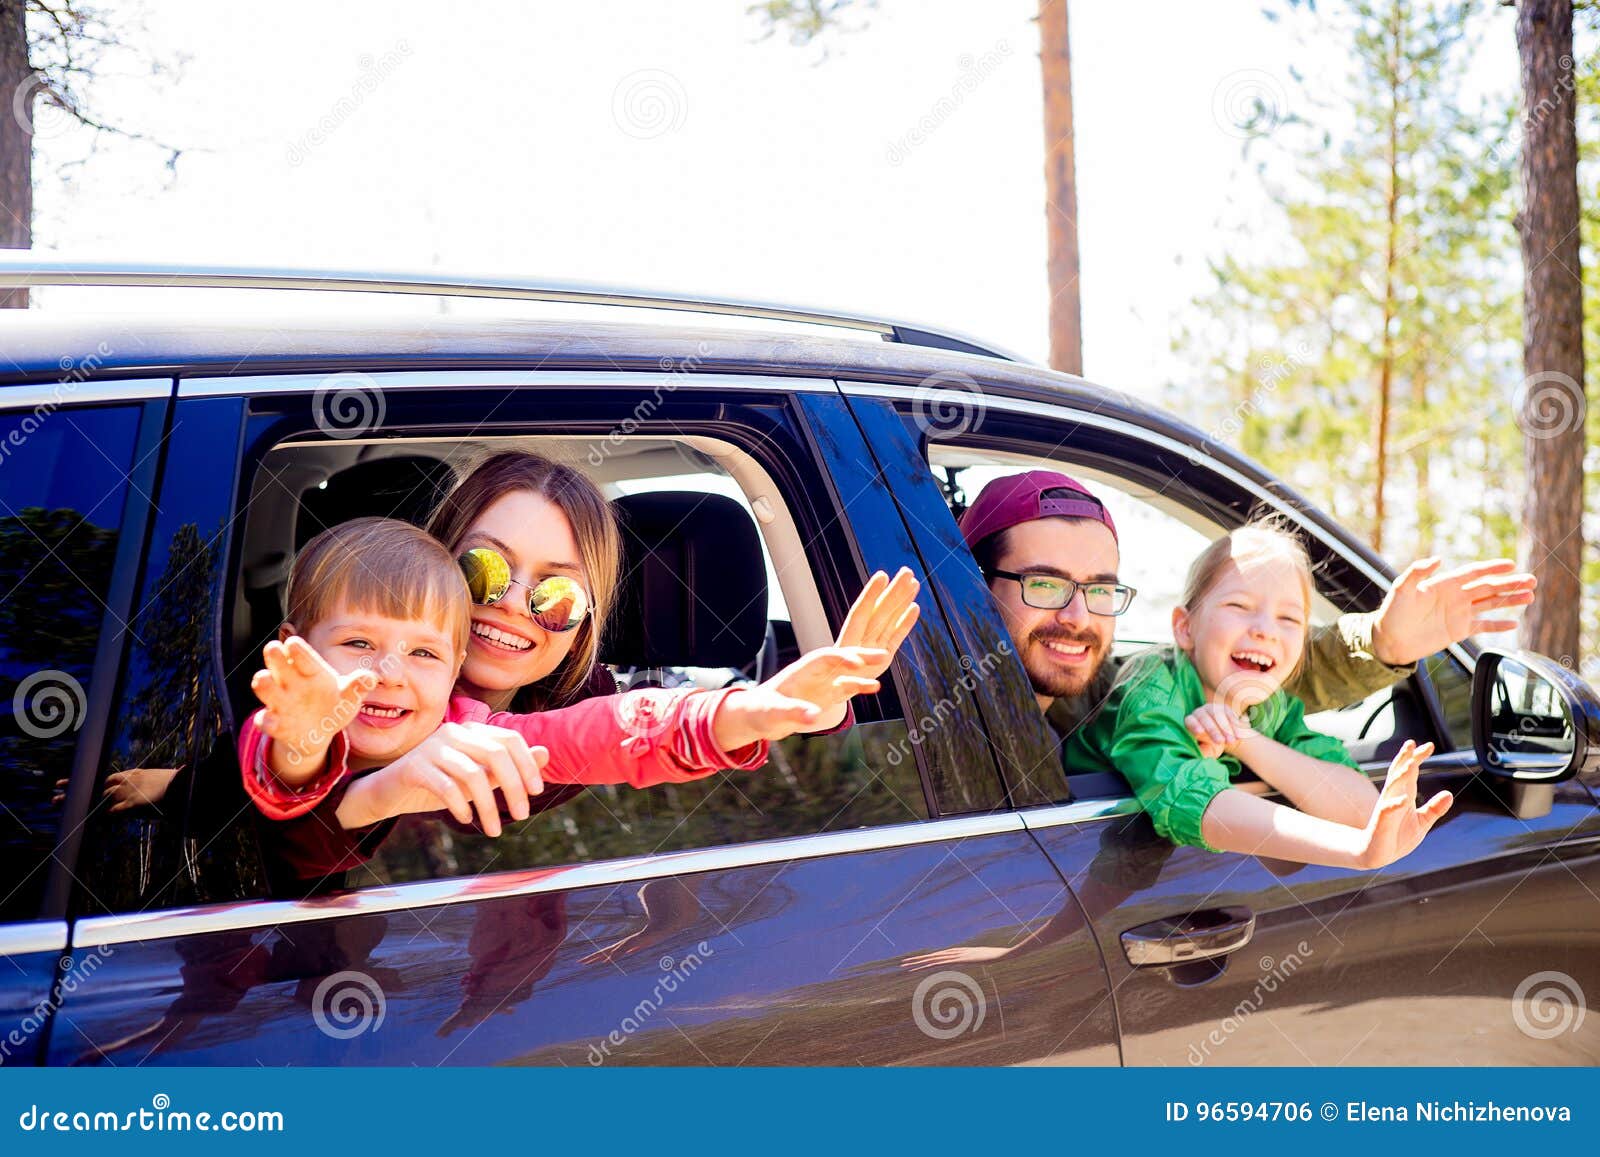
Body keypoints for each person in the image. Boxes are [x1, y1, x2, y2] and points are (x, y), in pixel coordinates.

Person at [242, 517, 919, 866]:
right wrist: (303, 733)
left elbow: (613, 730)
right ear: (297, 640)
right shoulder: (288, 705)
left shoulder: (477, 734)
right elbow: (276, 770)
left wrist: (743, 709)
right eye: (481, 571)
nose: (388, 671)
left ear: (456, 666)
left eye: (422, 651)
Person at [1064, 520, 1449, 869]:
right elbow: (1188, 798)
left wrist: (1244, 740)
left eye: (1289, 618)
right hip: (1075, 855)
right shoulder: (1151, 686)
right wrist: (1355, 852)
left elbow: (1361, 810)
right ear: (1185, 628)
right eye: (1239, 606)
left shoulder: (1271, 706)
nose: (1265, 629)